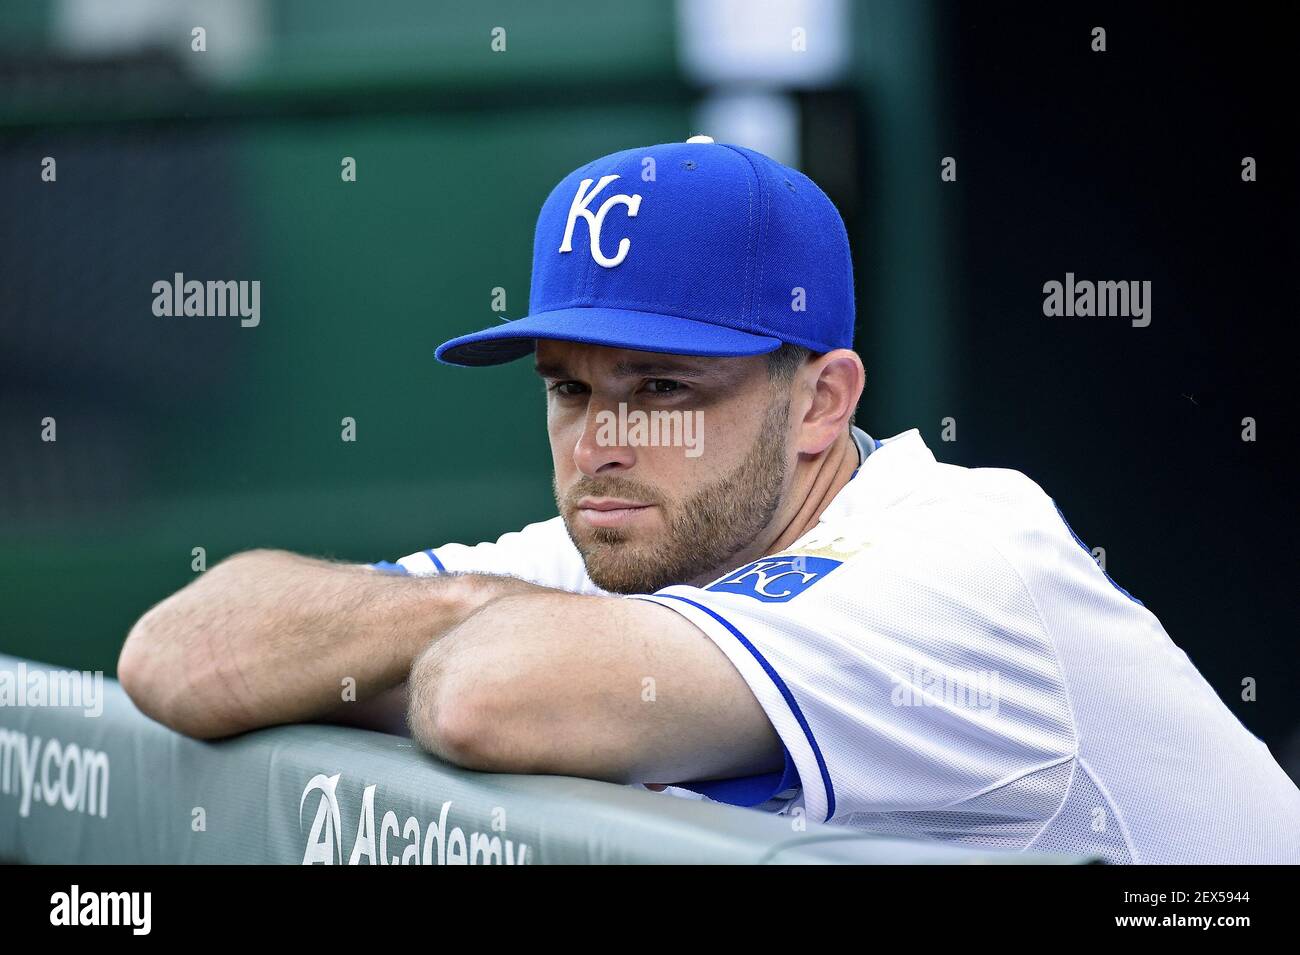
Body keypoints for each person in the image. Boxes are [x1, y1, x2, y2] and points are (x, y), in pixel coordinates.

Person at [118, 138, 1300, 863]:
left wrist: (422, 628)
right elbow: (181, 650)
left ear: (822, 402)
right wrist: (457, 616)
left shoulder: (959, 557)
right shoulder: (631, 543)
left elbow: (486, 691)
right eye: (569, 389)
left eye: (663, 386)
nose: (603, 442)